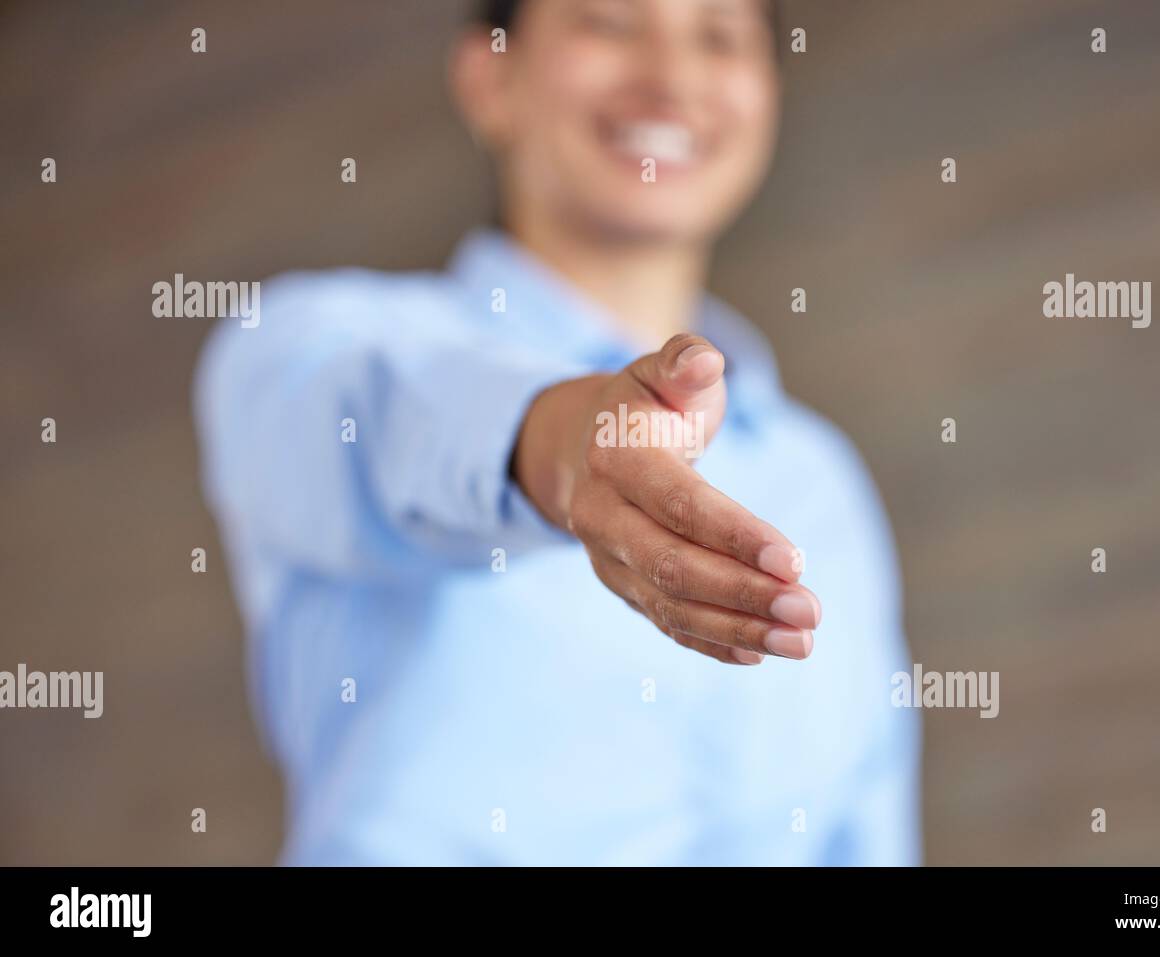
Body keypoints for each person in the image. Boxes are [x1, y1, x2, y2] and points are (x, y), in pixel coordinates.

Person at [195, 0, 919, 866]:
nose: (672, 75)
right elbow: (400, 417)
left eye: (719, 36)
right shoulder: (310, 344)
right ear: (490, 78)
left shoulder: (822, 482)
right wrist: (566, 447)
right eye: (610, 22)